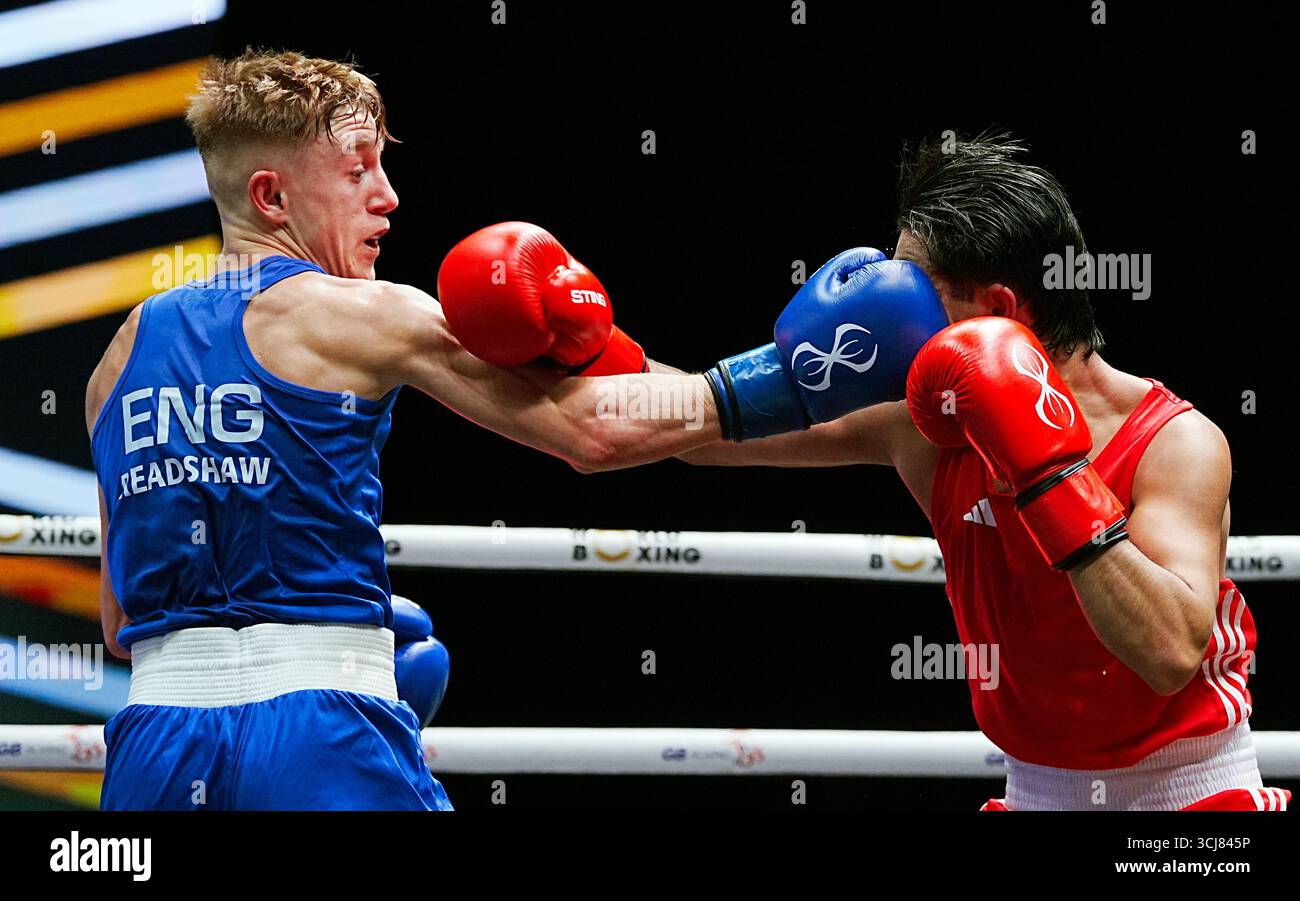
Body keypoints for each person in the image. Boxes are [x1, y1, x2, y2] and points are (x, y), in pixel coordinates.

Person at [85, 49, 935, 809]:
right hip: (321, 733)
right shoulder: (369, 315)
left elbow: (121, 621)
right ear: (271, 194)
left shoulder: (113, 368)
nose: (389, 195)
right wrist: (791, 380)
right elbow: (592, 432)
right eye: (357, 173)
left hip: (153, 750)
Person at [669, 133, 1290, 811]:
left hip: (1190, 799)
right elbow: (693, 430)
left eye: (908, 289)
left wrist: (1048, 474)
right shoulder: (920, 425)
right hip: (1031, 793)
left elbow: (1170, 652)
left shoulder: (1175, 442)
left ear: (994, 310)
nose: (881, 314)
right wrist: (582, 357)